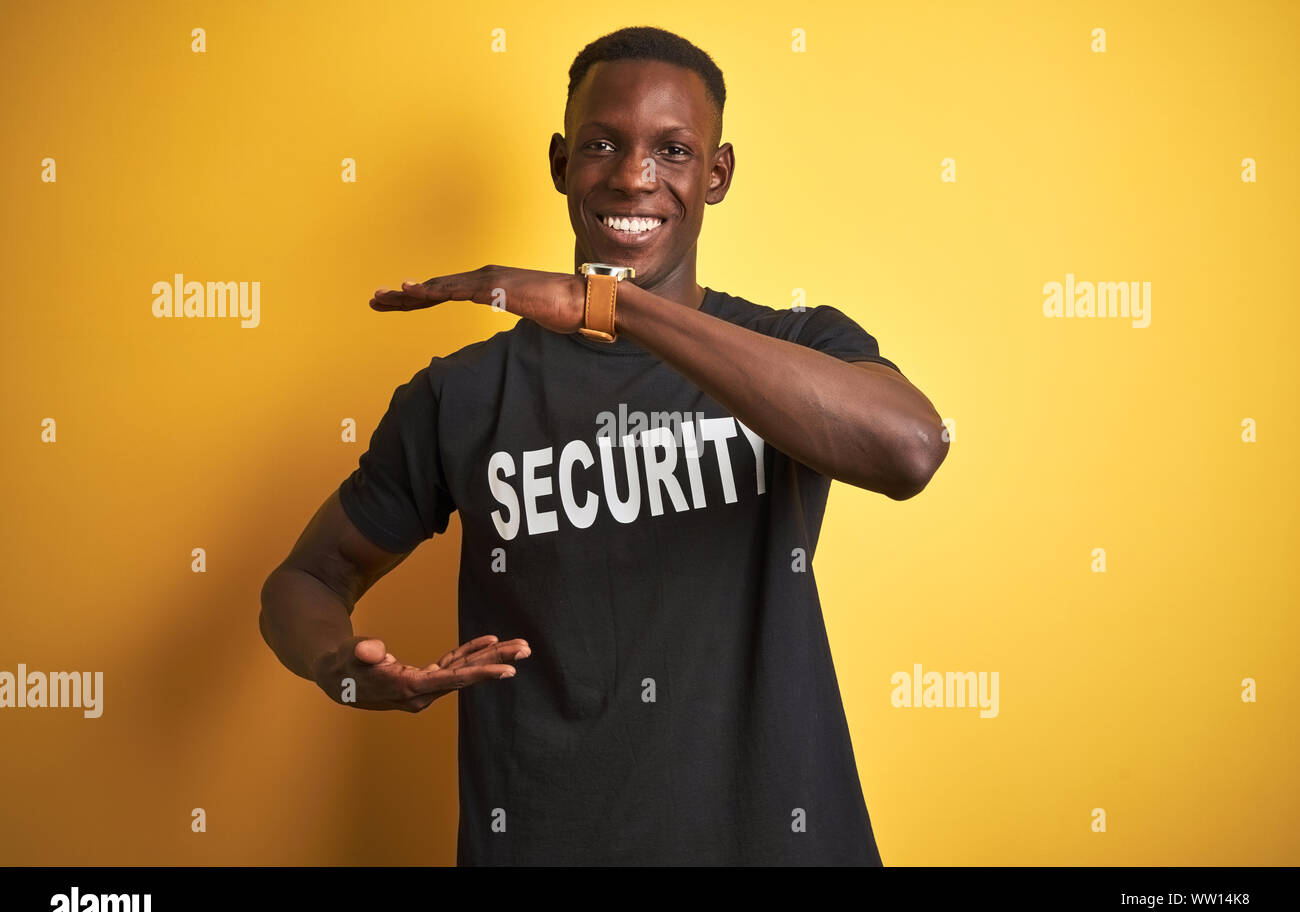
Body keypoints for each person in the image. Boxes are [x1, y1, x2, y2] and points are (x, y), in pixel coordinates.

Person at [260, 25, 948, 866]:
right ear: (560, 163)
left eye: (673, 149)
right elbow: (307, 577)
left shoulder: (797, 347)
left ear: (717, 174)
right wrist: (338, 663)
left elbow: (912, 447)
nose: (632, 174)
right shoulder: (462, 393)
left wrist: (610, 306)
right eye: (602, 144)